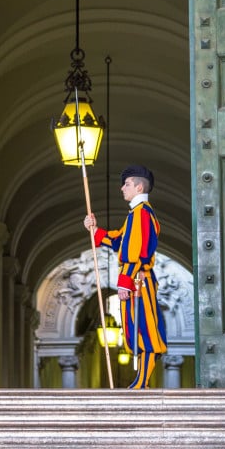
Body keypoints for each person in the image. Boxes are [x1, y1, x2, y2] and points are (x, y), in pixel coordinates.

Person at [83, 165, 167, 388]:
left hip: (139, 281)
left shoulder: (141, 213)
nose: (122, 188)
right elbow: (120, 241)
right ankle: (141, 380)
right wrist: (95, 230)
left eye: (127, 184)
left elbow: (134, 253)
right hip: (136, 280)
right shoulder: (135, 214)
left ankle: (142, 382)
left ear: (139, 187)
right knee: (136, 330)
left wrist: (124, 282)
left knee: (144, 331)